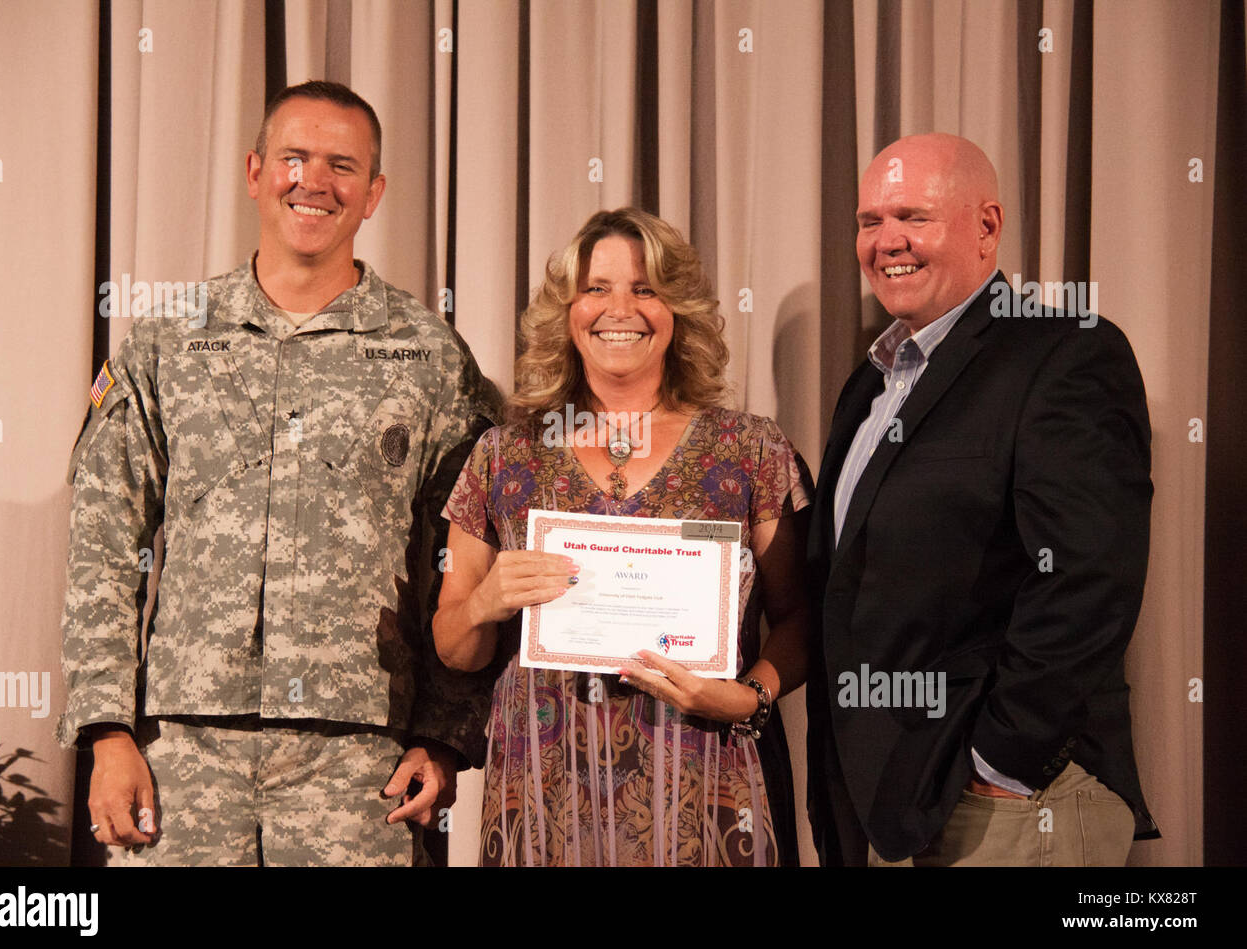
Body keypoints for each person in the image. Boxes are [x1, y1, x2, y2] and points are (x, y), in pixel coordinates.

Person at [58, 81, 499, 865]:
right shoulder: (167, 340)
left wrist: (443, 736)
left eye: (342, 166)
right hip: (181, 751)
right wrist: (108, 731)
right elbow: (105, 538)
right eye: (294, 158)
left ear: (373, 194)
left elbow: (464, 563)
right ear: (256, 171)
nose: (314, 182)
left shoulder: (430, 357)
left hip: (363, 760)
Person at [805, 132, 1157, 866]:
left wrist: (1000, 763)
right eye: (870, 221)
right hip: (892, 808)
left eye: (913, 217)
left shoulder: (1065, 353)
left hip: (1018, 807)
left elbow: (1088, 577)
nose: (887, 241)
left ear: (986, 227)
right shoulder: (868, 383)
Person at [434, 208, 811, 866]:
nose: (621, 308)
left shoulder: (750, 449)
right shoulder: (505, 455)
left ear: (677, 309)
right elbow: (454, 647)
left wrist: (748, 696)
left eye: (645, 289)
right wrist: (486, 602)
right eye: (597, 288)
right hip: (544, 804)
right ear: (567, 309)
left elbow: (804, 618)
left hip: (705, 786)